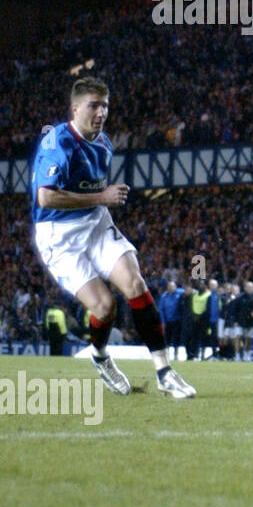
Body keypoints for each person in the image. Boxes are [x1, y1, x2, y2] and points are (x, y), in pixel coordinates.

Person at [30, 77, 195, 397]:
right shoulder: (57, 144)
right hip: (58, 236)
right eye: (93, 105)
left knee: (135, 284)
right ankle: (100, 357)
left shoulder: (104, 144)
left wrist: (99, 201)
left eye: (105, 105)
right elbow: (45, 199)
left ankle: (164, 372)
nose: (101, 112)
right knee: (105, 307)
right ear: (75, 108)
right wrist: (101, 197)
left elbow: (93, 195)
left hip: (94, 223)